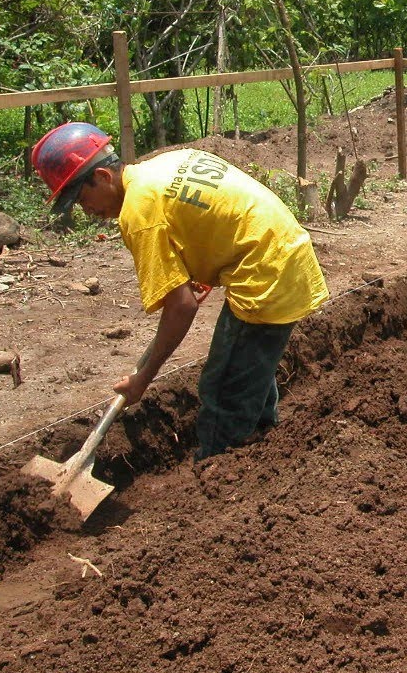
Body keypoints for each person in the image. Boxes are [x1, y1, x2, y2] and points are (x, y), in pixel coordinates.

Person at [31, 122, 329, 459]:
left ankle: (220, 473)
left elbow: (181, 307)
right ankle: (260, 449)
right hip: (285, 252)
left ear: (102, 176)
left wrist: (143, 377)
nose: (87, 211)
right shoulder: (163, 165)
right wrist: (200, 269)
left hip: (266, 273)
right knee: (248, 370)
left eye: (83, 198)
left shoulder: (139, 212)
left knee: (222, 388)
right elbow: (209, 215)